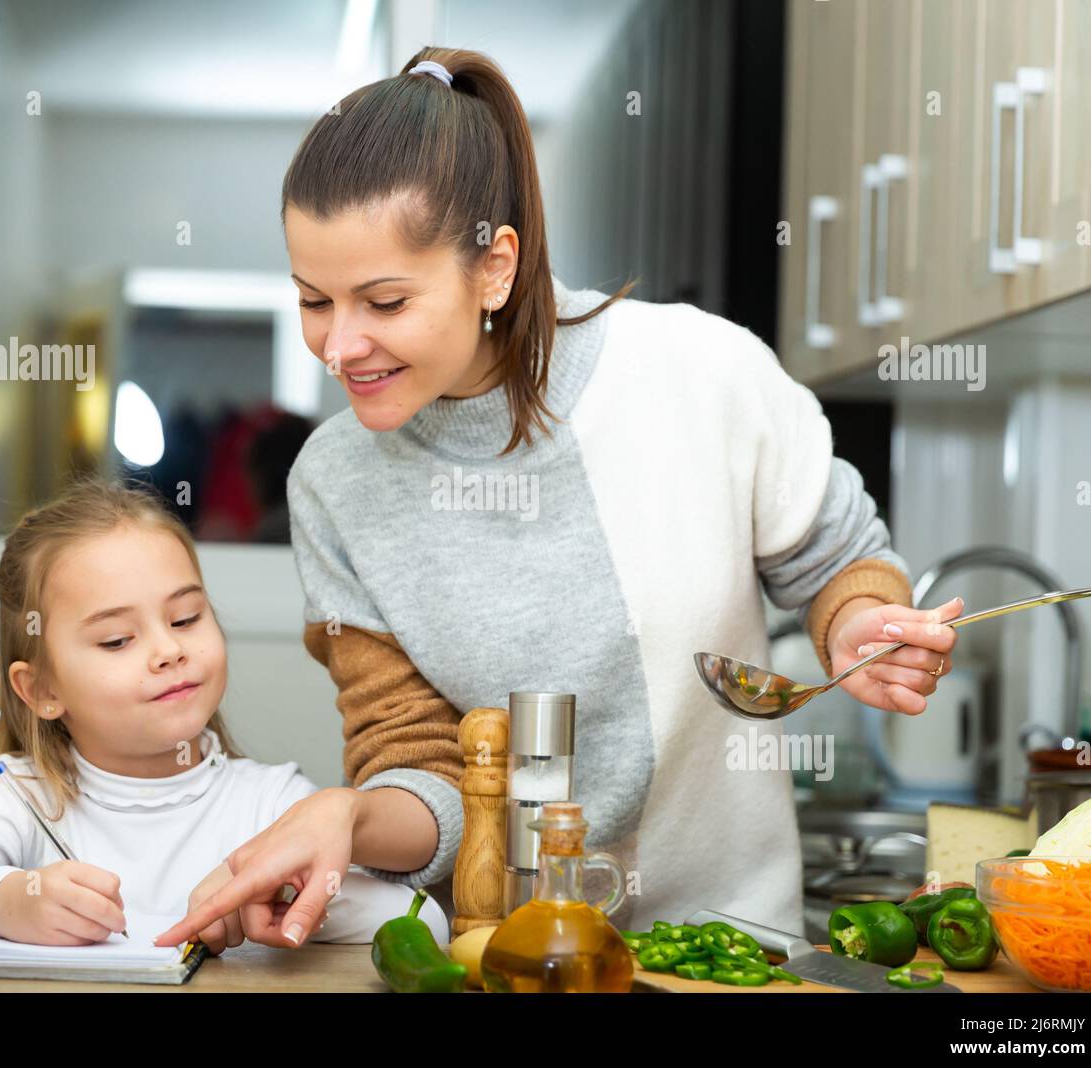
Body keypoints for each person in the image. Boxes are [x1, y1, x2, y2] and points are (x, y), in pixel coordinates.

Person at [155, 47, 960, 948]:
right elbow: (423, 764)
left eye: (383, 302)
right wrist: (345, 816)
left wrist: (860, 628)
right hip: (513, 958)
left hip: (731, 953)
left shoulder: (701, 372)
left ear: (494, 267)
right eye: (313, 301)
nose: (340, 346)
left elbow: (841, 562)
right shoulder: (334, 482)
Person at [0, 476, 448, 949]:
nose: (168, 651)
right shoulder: (18, 797)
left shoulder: (274, 803)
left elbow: (417, 918)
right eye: (117, 639)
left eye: (185, 618)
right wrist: (9, 900)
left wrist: (277, 894)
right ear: (40, 690)